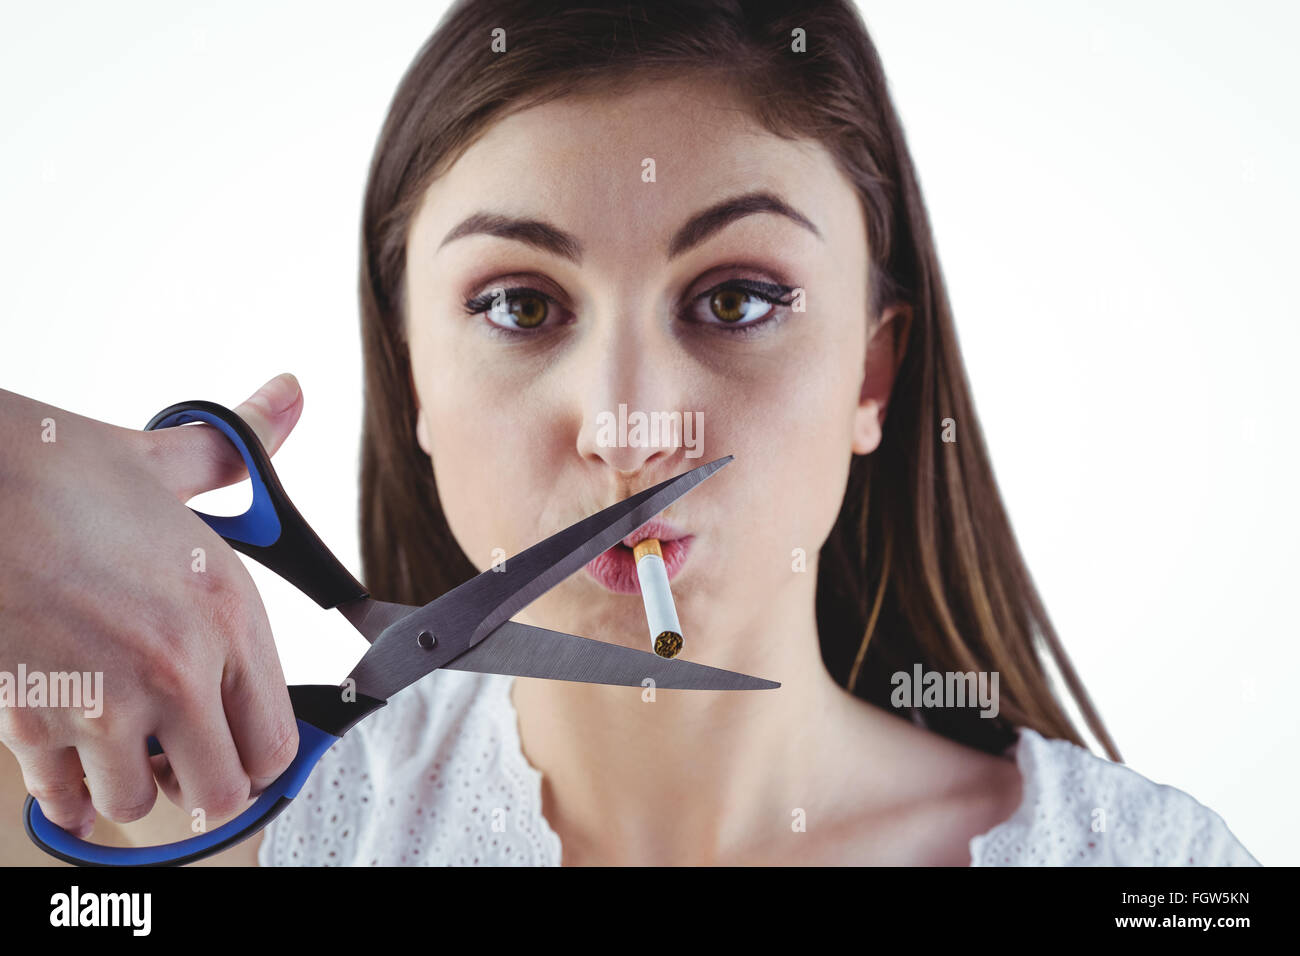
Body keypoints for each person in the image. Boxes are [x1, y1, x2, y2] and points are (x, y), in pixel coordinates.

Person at [0, 0, 1259, 866]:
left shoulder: (1157, 871)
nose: (627, 425)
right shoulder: (176, 819)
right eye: (518, 304)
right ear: (411, 377)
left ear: (873, 374)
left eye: (736, 299)